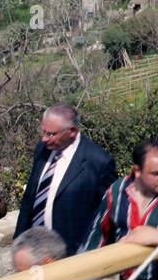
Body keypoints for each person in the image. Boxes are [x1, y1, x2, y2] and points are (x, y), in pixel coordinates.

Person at [82, 138, 158, 280]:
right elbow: (100, 232)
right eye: (156, 173)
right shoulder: (116, 191)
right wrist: (87, 274)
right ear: (137, 170)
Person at [14, 103, 117, 258]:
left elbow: (107, 212)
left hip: (71, 255)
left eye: (51, 134)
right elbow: (30, 198)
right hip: (33, 250)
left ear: (72, 131)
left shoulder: (98, 162)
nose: (44, 138)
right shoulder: (43, 149)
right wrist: (18, 241)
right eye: (43, 132)